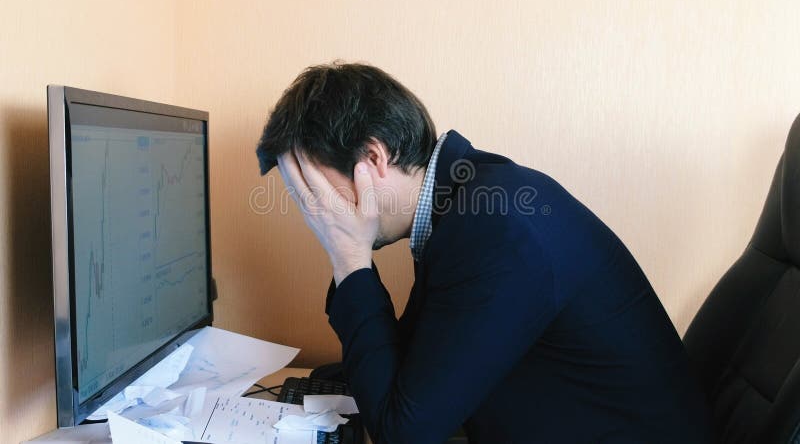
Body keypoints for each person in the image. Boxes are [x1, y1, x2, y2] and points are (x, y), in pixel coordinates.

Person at [255, 62, 712, 443]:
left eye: (312, 192)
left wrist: (350, 260)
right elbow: (412, 367)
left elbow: (403, 432)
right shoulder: (467, 198)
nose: (314, 214)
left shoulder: (497, 231)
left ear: (373, 159)